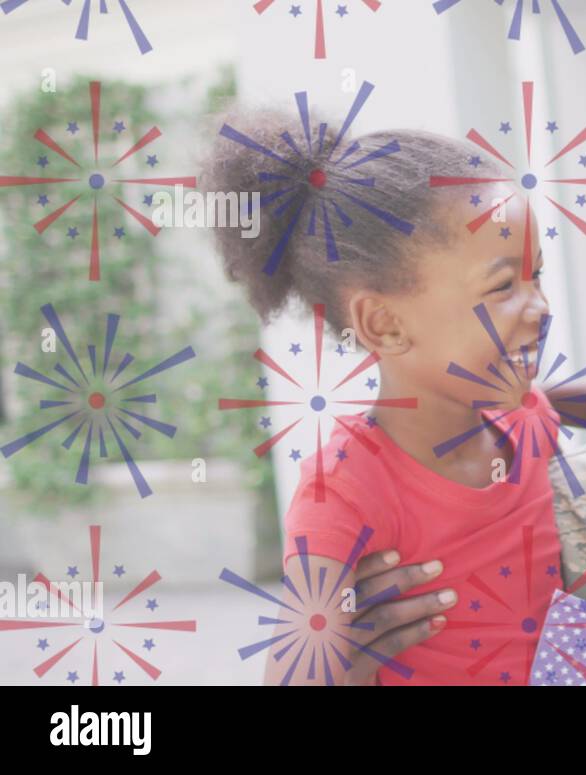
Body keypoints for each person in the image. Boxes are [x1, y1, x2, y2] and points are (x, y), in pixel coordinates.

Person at [205, 112, 564, 684]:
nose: (540, 306)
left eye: (537, 276)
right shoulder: (345, 491)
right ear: (385, 323)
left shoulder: (529, 423)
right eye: (502, 287)